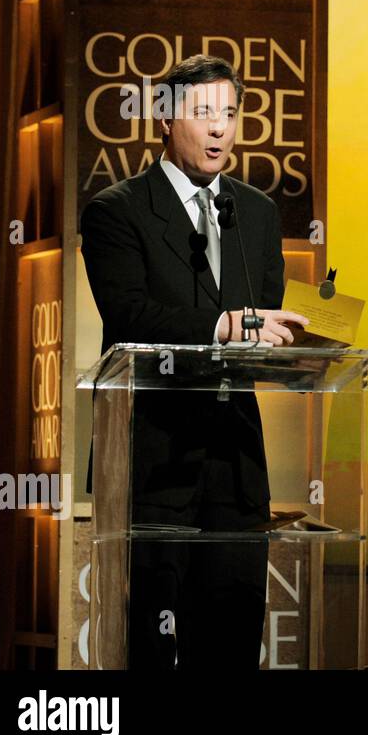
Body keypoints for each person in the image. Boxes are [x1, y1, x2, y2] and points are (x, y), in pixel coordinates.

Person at [80, 54, 310, 668]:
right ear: (164, 120)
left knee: (230, 646)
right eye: (203, 113)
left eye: (230, 115)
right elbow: (129, 314)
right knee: (149, 650)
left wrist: (293, 341)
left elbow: (262, 319)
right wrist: (220, 324)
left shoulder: (256, 213)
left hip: (234, 464)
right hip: (152, 462)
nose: (219, 129)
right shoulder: (116, 210)